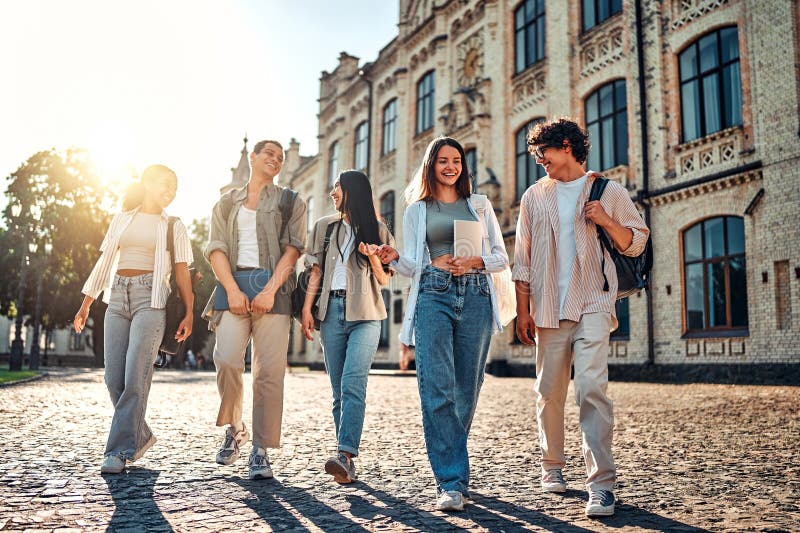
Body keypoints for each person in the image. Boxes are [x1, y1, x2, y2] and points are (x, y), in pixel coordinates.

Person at [513, 118, 650, 517]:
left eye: (544, 153)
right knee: (549, 392)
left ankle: (601, 485)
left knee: (591, 387)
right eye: (537, 155)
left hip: (593, 299)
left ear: (567, 145)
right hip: (549, 307)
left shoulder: (608, 190)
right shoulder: (534, 197)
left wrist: (606, 219)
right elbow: (522, 257)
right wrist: (523, 309)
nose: (540, 161)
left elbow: (635, 242)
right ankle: (552, 466)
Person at [375, 137, 509, 511]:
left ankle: (452, 455)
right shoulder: (417, 210)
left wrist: (472, 262)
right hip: (433, 295)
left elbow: (500, 258)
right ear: (431, 165)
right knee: (437, 388)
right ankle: (451, 481)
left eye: (457, 161)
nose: (450, 166)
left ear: (463, 167)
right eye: (443, 160)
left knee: (467, 388)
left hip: (478, 294)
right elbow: (414, 268)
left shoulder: (479, 205)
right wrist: (394, 257)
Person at [73, 164, 194, 474]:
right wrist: (86, 304)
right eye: (165, 184)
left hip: (151, 301)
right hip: (116, 298)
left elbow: (182, 273)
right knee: (113, 378)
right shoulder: (122, 218)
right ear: (148, 183)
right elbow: (105, 261)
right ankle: (140, 436)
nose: (170, 191)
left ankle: (118, 451)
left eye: (174, 188)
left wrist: (190, 313)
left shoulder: (174, 226)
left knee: (136, 378)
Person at [203, 139, 307, 480]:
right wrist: (232, 289)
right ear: (252, 157)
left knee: (269, 373)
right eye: (269, 154)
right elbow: (215, 249)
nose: (275, 160)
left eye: (280, 157)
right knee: (228, 359)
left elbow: (293, 251)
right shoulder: (225, 203)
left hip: (273, 293)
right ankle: (235, 428)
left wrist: (270, 290)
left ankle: (260, 449)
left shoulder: (290, 201)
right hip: (233, 288)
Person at [301, 170, 394, 484]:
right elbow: (315, 272)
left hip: (366, 313)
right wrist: (306, 309)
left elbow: (384, 280)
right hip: (330, 312)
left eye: (337, 187)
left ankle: (344, 454)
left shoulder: (377, 229)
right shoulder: (324, 227)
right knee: (338, 391)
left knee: (353, 384)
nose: (332, 192)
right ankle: (347, 462)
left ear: (352, 190)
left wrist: (373, 258)